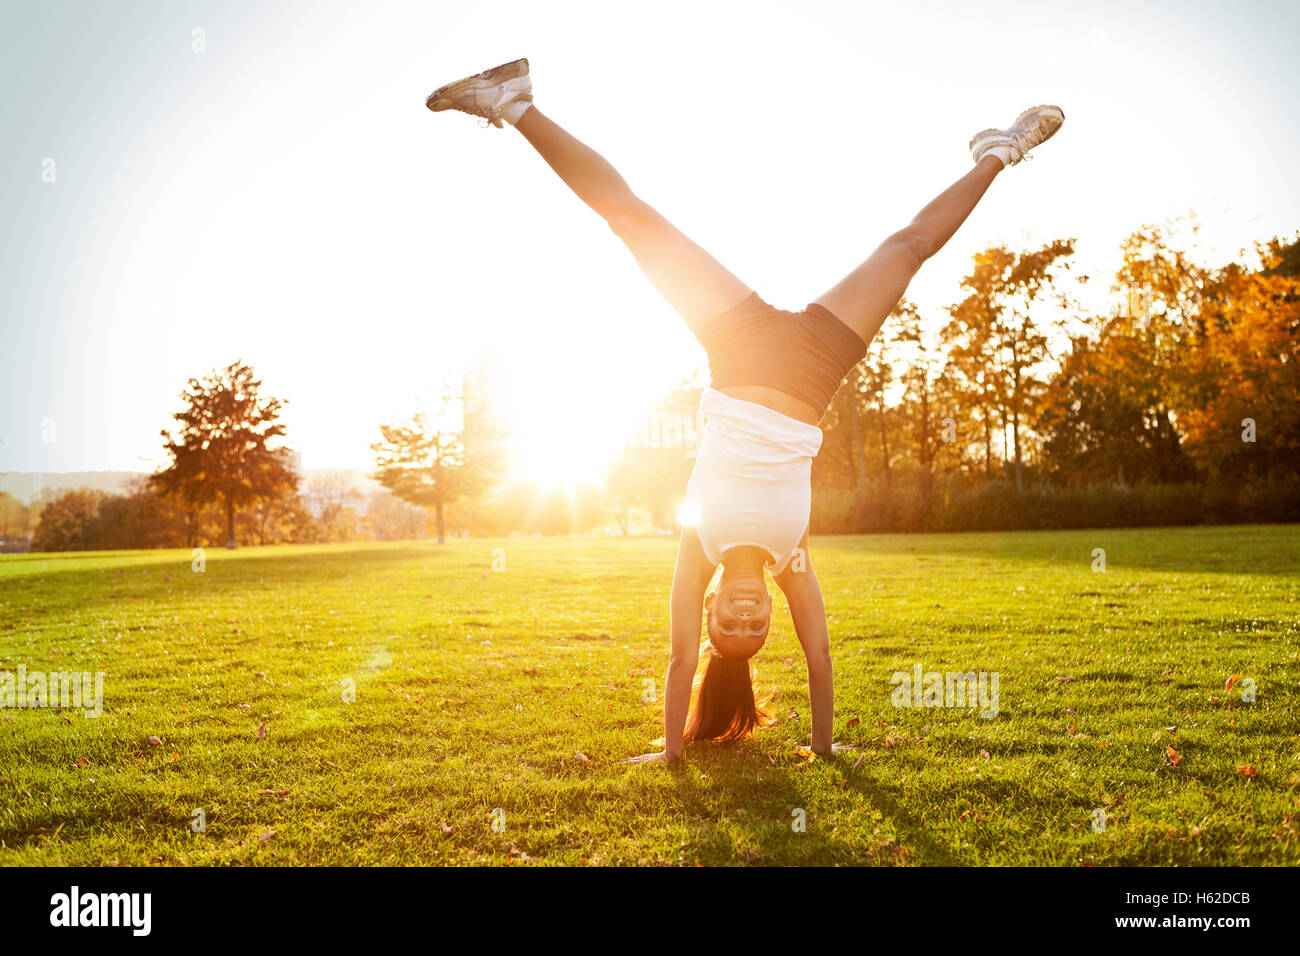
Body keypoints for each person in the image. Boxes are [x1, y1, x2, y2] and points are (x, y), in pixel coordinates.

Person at [425, 58, 1064, 763]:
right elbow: (820, 662)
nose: (747, 617)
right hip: (818, 365)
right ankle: (999, 151)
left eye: (730, 624)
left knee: (635, 221)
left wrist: (669, 754)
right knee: (907, 249)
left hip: (737, 345)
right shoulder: (793, 559)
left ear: (712, 613)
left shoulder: (698, 548)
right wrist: (825, 750)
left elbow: (677, 662)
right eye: (755, 629)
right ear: (767, 620)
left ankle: (513, 105)